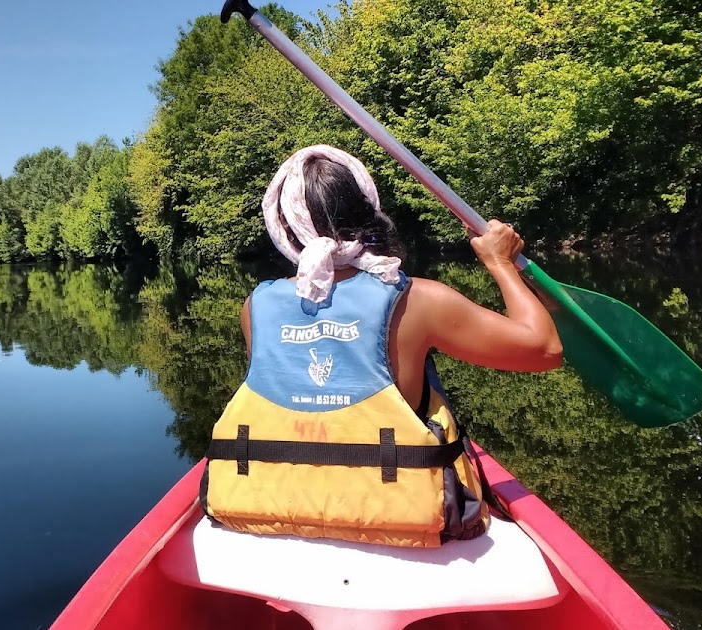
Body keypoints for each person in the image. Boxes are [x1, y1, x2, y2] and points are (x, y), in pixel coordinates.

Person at [199, 145, 562, 548]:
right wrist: (500, 263)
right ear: (368, 208)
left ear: (285, 227)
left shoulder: (256, 307)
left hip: (268, 513)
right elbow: (544, 350)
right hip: (398, 515)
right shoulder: (420, 300)